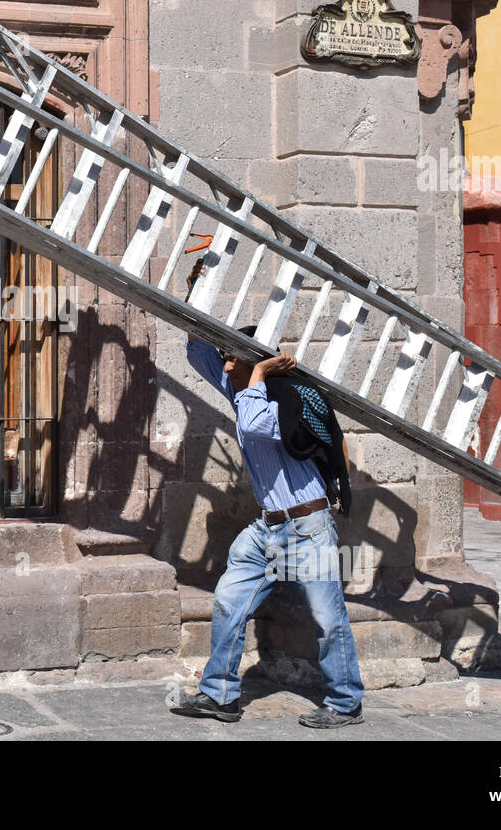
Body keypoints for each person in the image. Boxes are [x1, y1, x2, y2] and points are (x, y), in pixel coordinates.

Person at [169, 260, 364, 729]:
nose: (227, 365)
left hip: (309, 527)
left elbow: (256, 425)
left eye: (234, 359)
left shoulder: (283, 401)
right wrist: (199, 284)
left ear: (258, 364)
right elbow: (199, 350)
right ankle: (220, 696)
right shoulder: (243, 390)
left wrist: (258, 372)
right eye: (231, 360)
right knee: (228, 602)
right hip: (267, 530)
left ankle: (346, 701)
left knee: (327, 617)